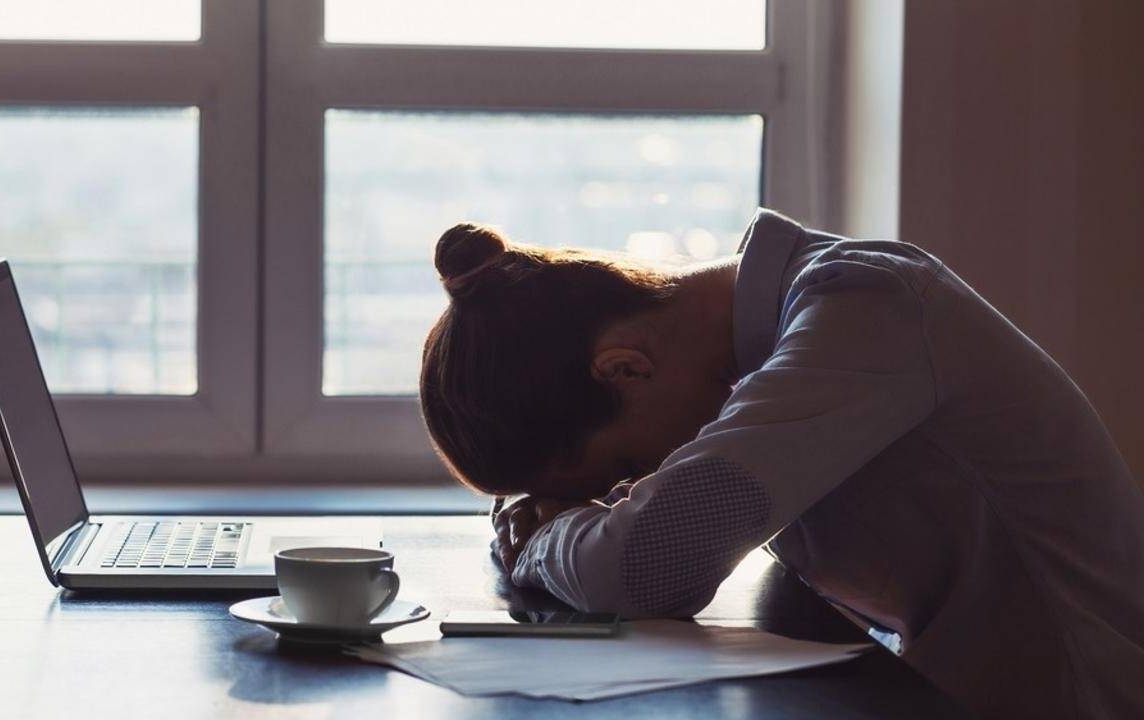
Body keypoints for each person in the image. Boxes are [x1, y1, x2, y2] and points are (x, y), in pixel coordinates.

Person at [418, 208, 1144, 719]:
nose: (631, 490)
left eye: (626, 467)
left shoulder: (867, 312)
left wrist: (542, 543)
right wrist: (541, 509)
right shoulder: (772, 345)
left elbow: (647, 565)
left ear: (625, 369)